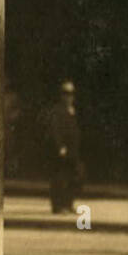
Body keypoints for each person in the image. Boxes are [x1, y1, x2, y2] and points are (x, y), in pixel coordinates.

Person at [48, 80, 82, 213]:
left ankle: (68, 203)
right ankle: (58, 206)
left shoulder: (73, 110)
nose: (69, 96)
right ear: (61, 95)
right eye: (66, 93)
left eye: (71, 93)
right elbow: (54, 130)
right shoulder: (57, 111)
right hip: (62, 149)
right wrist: (60, 146)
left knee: (73, 176)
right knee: (59, 177)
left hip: (74, 149)